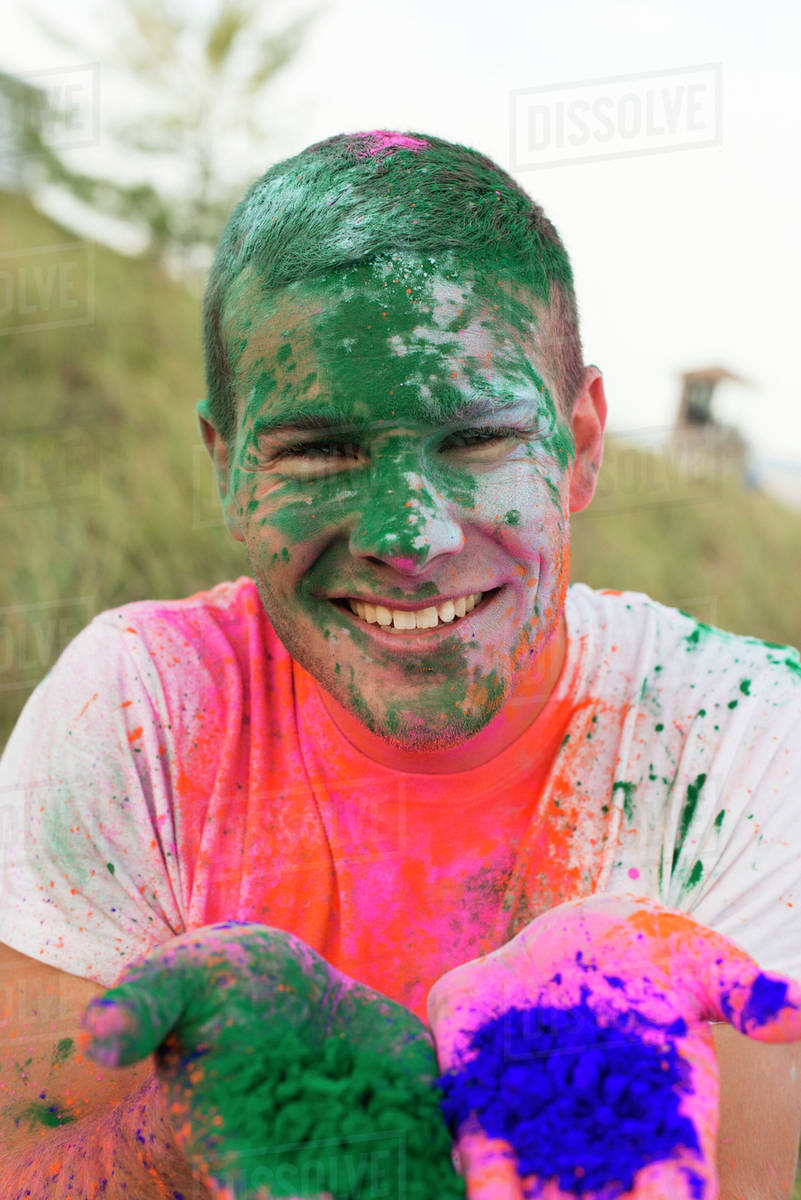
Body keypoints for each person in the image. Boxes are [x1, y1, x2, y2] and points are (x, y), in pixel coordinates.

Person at [1, 129, 800, 1199]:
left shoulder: (744, 733)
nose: (407, 536)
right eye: (320, 450)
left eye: (476, 439)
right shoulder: (144, 705)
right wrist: (163, 1145)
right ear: (226, 466)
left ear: (583, 445)